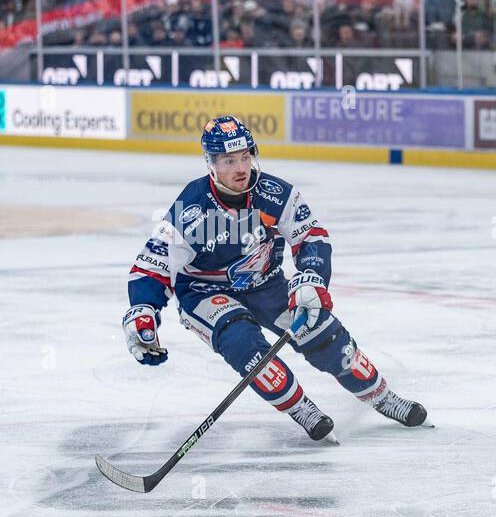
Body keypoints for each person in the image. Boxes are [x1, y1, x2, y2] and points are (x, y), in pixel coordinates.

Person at [122, 116, 427, 441]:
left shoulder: (275, 193)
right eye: (228, 160)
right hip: (204, 291)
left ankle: (383, 398)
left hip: (266, 284)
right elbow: (155, 263)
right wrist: (143, 310)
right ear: (211, 163)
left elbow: (311, 237)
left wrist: (311, 277)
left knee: (322, 334)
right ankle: (302, 409)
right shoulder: (193, 206)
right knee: (244, 345)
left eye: (244, 156)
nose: (241, 167)